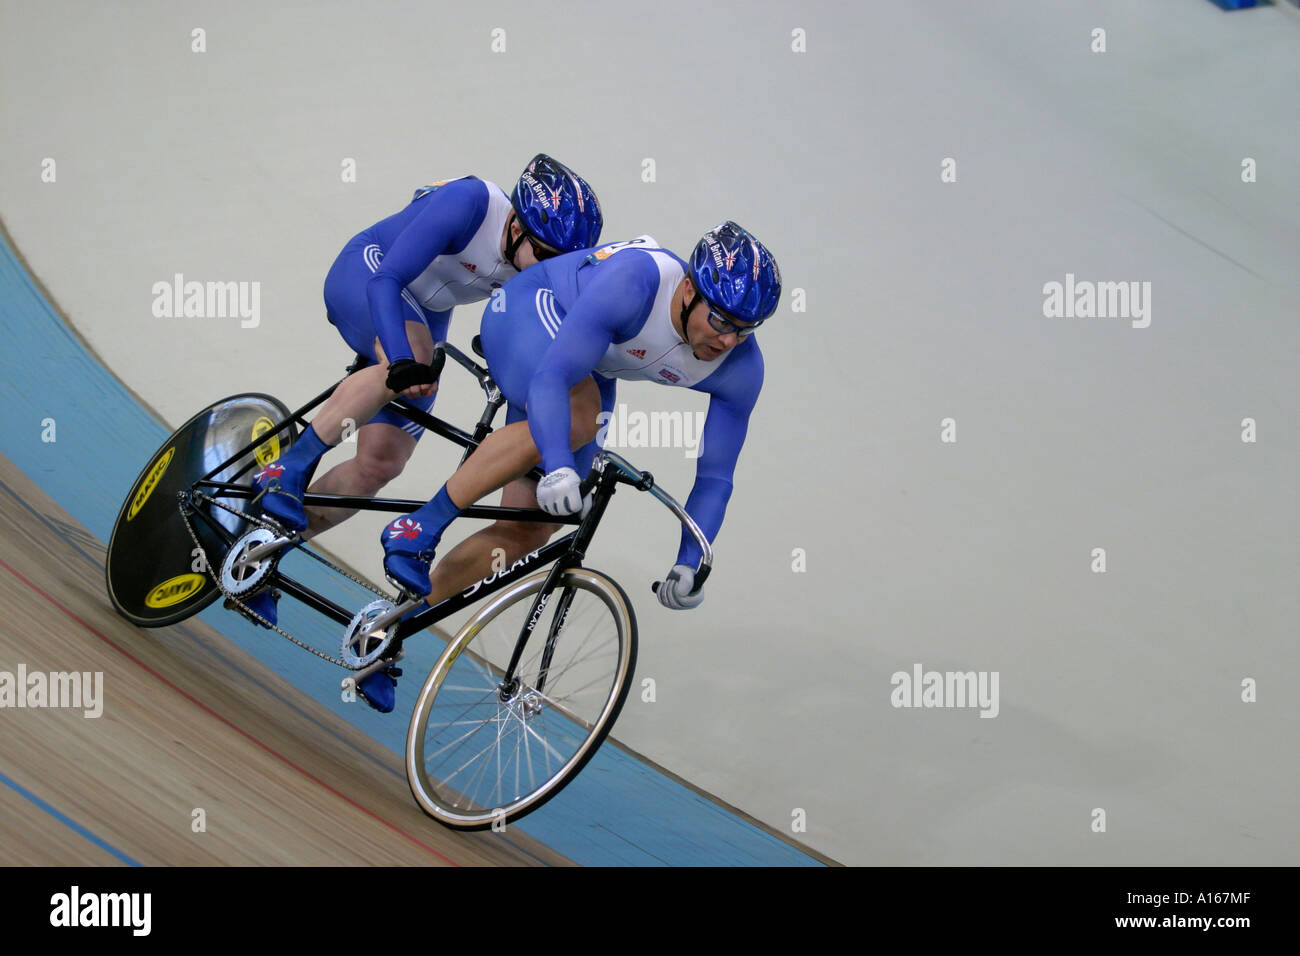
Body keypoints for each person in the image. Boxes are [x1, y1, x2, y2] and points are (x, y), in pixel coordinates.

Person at [241, 154, 603, 650]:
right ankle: (288, 467)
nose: (552, 270)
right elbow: (385, 282)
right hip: (369, 276)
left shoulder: (539, 263)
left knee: (380, 464)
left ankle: (260, 554)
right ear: (516, 225)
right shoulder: (471, 203)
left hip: (429, 314)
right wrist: (399, 359)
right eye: (545, 254)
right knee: (410, 360)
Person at [379, 221, 780, 661]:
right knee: (579, 417)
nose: (728, 340)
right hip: (531, 309)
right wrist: (558, 465)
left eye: (745, 328)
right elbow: (552, 376)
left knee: (529, 529)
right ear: (688, 289)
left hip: (591, 367)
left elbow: (717, 476)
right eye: (721, 320)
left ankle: (388, 631)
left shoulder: (742, 368)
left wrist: (690, 560)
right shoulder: (637, 282)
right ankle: (418, 526)